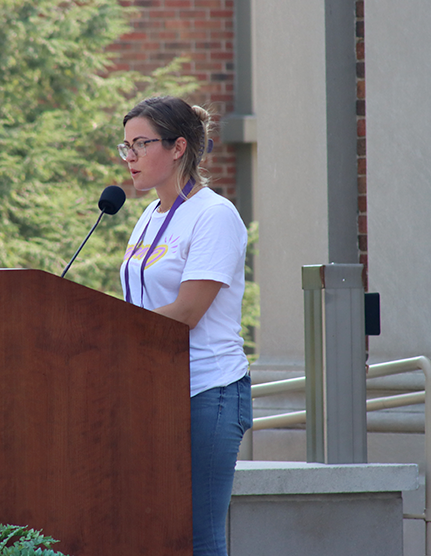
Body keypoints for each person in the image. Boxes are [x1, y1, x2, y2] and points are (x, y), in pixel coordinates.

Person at [118, 95, 252, 556]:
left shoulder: (214, 215)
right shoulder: (147, 216)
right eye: (125, 147)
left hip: (206, 391)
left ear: (178, 147)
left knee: (197, 535)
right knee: (153, 532)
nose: (130, 157)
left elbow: (187, 311)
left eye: (141, 144)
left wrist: (107, 336)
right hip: (151, 389)